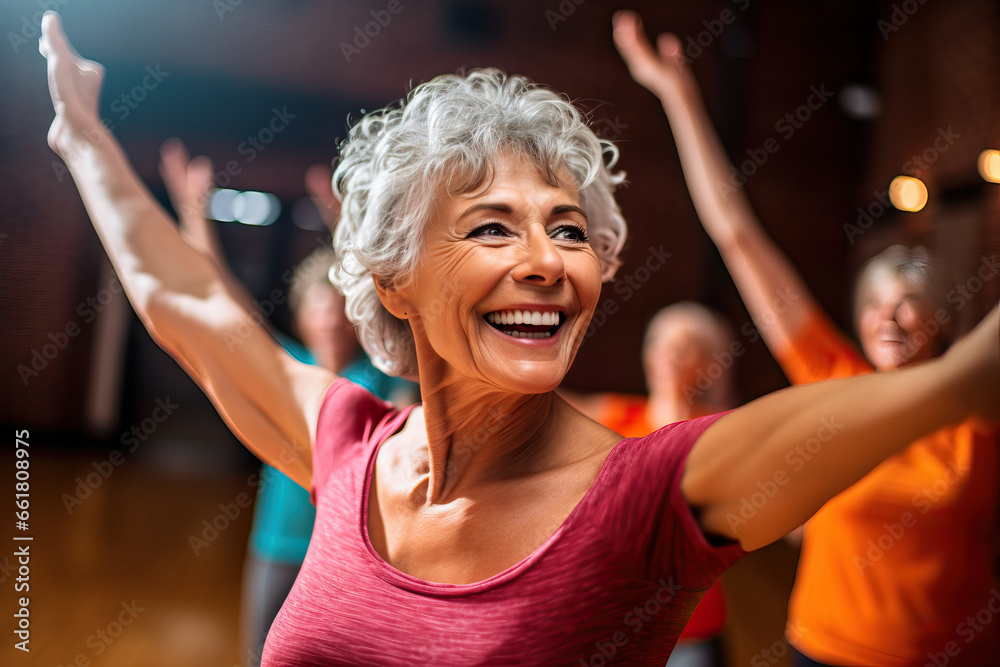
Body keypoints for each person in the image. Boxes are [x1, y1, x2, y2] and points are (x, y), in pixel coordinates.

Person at [40, 11, 999, 664]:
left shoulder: (649, 497)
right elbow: (180, 300)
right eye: (493, 226)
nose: (548, 260)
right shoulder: (346, 447)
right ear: (396, 282)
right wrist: (85, 141)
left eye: (569, 227)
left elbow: (955, 384)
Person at [612, 10, 1000, 666]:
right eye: (875, 301)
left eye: (910, 304)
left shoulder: (974, 406)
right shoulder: (832, 376)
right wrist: (677, 93)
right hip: (822, 648)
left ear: (943, 324)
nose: (891, 315)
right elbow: (735, 233)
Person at [159, 141, 416, 664]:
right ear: (300, 313)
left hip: (351, 553)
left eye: (338, 305)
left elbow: (398, 309)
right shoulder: (288, 366)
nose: (328, 316)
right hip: (277, 545)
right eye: (316, 305)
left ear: (355, 314)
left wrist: (348, 225)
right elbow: (222, 295)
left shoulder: (382, 376)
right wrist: (193, 213)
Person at [562, 302, 737, 667]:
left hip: (691, 625)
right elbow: (543, 406)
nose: (667, 355)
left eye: (683, 346)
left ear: (708, 363)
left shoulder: (721, 430)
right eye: (658, 342)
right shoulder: (617, 417)